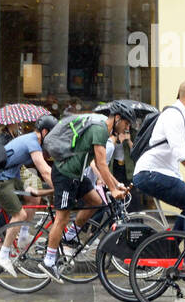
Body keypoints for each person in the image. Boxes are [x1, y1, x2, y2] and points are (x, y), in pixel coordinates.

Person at [43, 102, 133, 282]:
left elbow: (99, 165)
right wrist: (113, 189)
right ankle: (49, 261)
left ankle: (70, 236)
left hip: (77, 175)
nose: (127, 127)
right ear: (117, 118)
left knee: (96, 201)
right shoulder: (100, 129)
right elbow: (101, 164)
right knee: (62, 218)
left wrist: (117, 185)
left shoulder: (102, 128)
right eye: (126, 123)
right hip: (65, 175)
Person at [132, 80, 185, 249]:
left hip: (158, 173)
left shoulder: (184, 117)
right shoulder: (173, 116)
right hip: (151, 173)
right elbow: (181, 154)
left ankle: (170, 251)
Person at [0, 116, 57, 277]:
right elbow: (44, 170)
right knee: (19, 215)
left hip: (10, 178)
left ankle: (23, 236)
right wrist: (60, 186)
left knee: (34, 197)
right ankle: (3, 254)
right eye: (52, 135)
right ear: (45, 132)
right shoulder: (32, 142)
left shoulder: (32, 140)